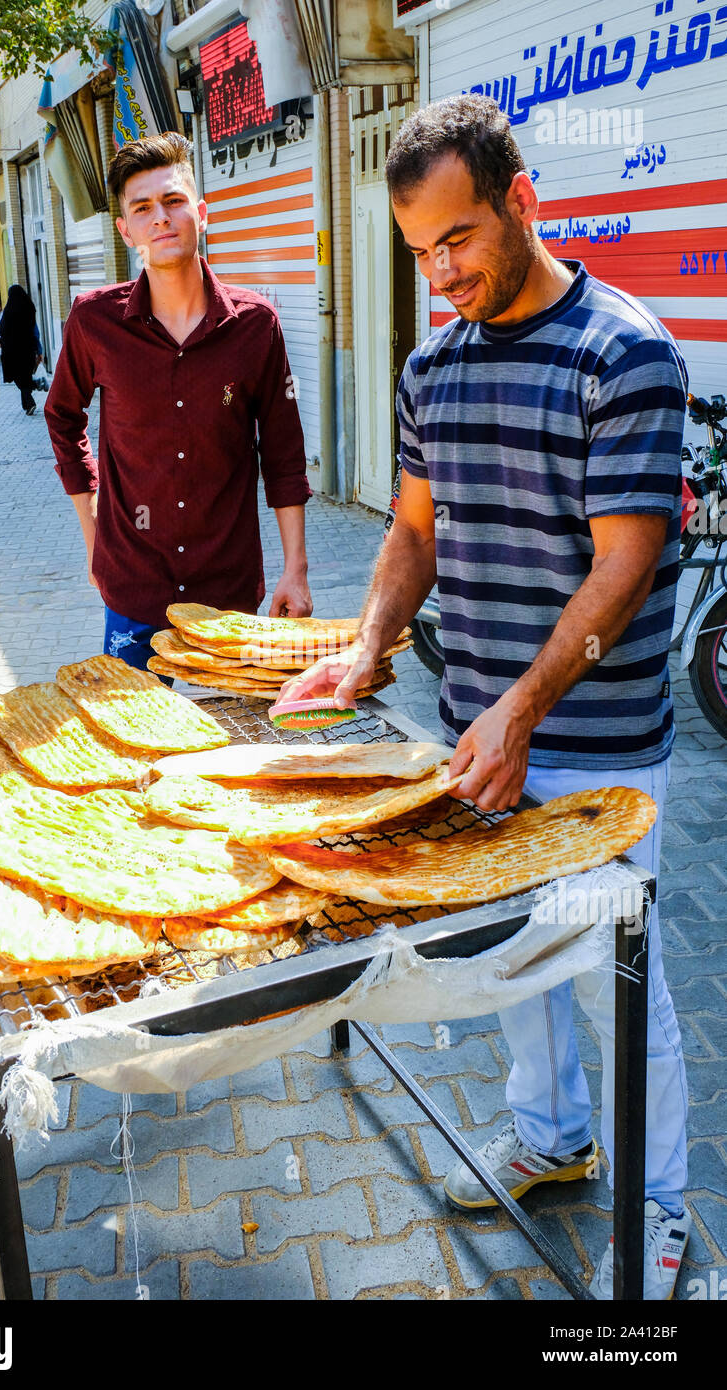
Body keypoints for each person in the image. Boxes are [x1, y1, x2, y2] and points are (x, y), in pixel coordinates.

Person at [281, 94, 690, 1300]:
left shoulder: (624, 352)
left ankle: (659, 1206)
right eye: (418, 252)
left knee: (620, 978)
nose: (440, 271)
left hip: (594, 741)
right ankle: (552, 1139)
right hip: (477, 729)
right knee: (518, 956)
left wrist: (519, 712)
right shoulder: (430, 364)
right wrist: (365, 651)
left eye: (456, 239)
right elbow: (411, 532)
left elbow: (624, 562)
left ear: (520, 200)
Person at [45, 131, 312, 672]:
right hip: (133, 593)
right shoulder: (94, 323)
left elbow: (283, 453)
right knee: (131, 749)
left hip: (229, 598)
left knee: (232, 752)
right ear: (126, 231)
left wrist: (296, 568)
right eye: (143, 208)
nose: (160, 218)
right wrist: (94, 535)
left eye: (173, 201)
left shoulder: (255, 325)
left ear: (202, 212)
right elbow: (62, 415)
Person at [0, 285, 40, 416]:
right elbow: (35, 330)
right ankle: (27, 404)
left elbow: (1, 327)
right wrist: (39, 350)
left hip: (12, 351)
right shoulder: (30, 307)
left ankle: (30, 401)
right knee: (25, 375)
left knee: (18, 377)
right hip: (28, 349)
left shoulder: (8, 310)